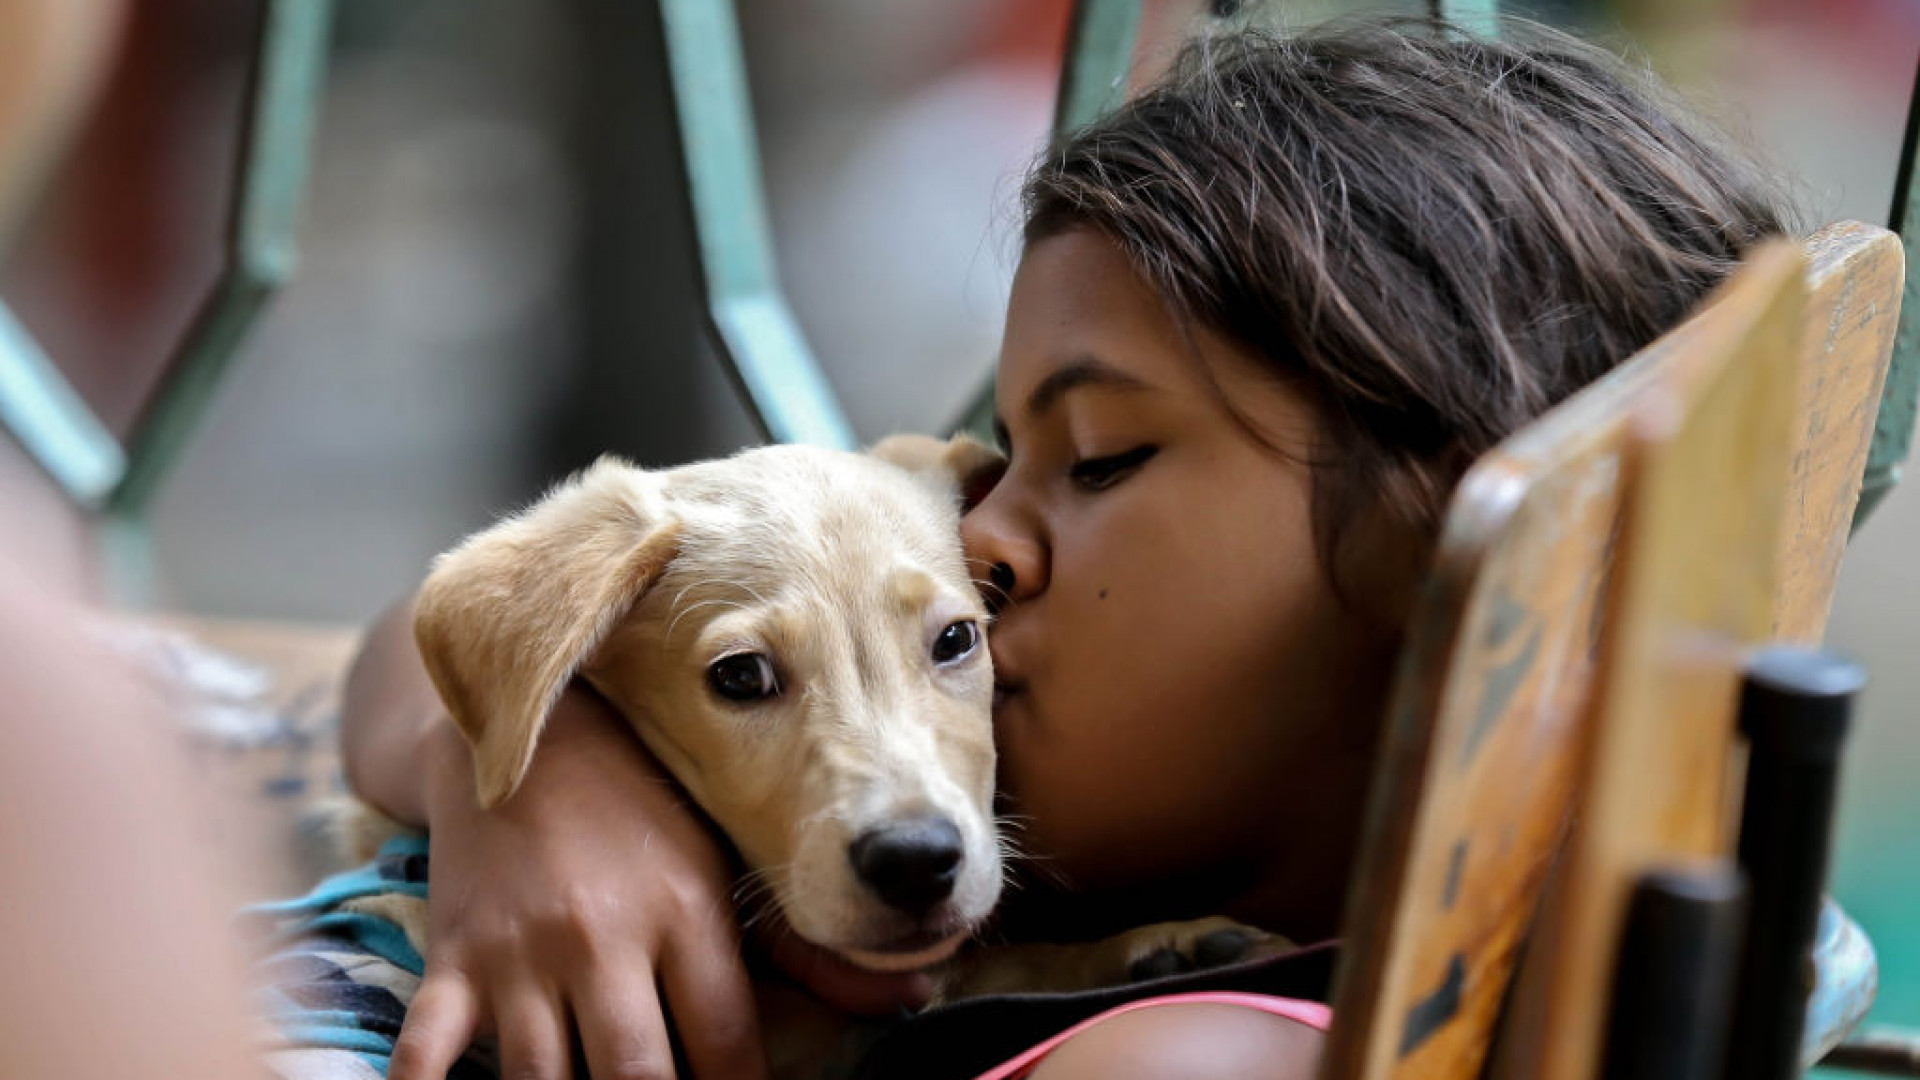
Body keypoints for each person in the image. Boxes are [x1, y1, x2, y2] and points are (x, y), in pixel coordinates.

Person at [325, 15, 1794, 1080]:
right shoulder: (1057, 829)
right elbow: (412, 640)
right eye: (1004, 457)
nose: (981, 541)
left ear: (1442, 558)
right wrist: (526, 777)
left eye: (1098, 459)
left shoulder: (1180, 1052)